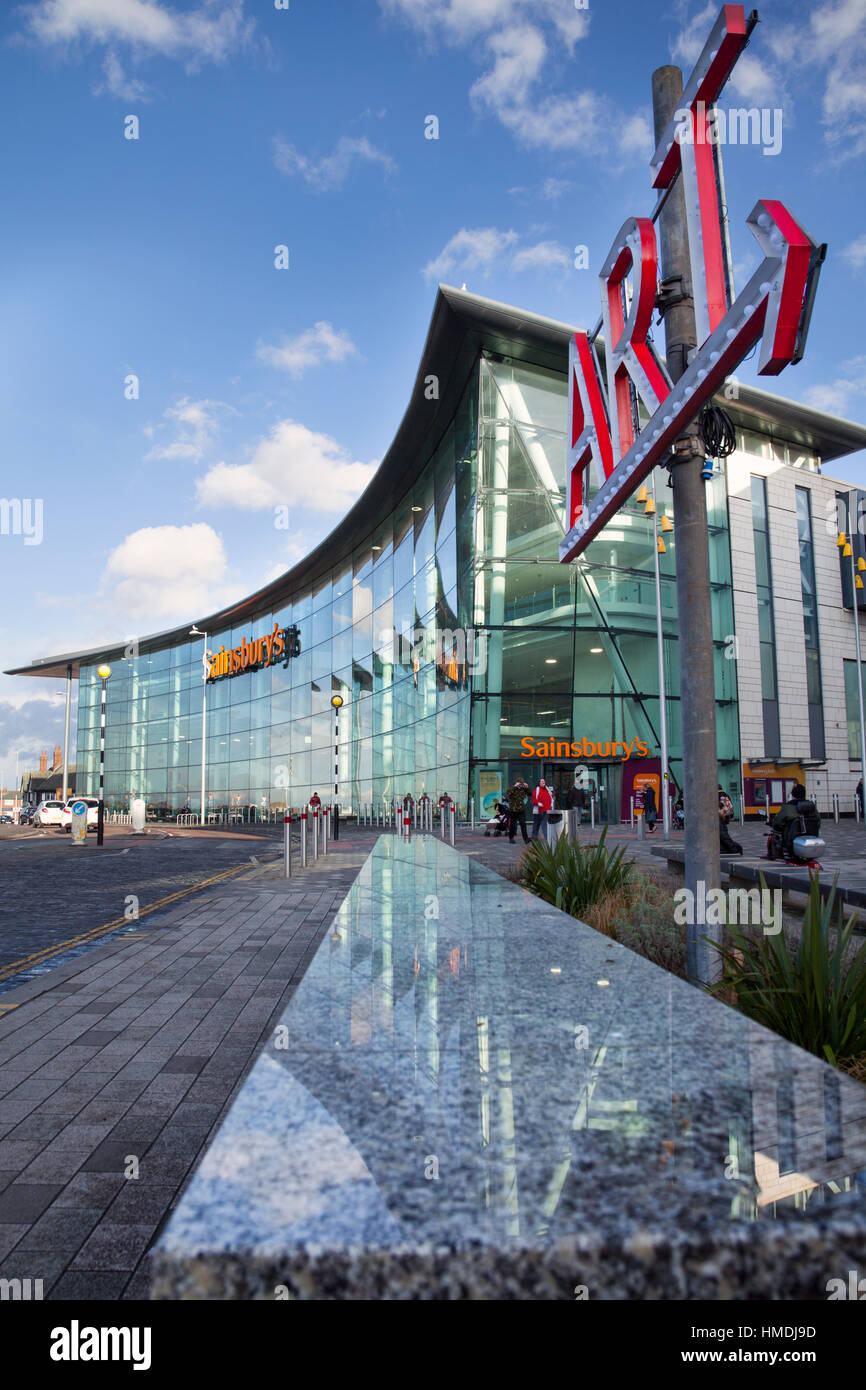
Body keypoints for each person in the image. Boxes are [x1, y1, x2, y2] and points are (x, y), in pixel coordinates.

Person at [719, 784, 743, 855]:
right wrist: (731, 815)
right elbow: (730, 806)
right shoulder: (725, 795)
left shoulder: (712, 795)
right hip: (723, 818)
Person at [506, 779, 530, 843]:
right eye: (519, 783)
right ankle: (511, 838)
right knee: (512, 825)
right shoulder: (513, 788)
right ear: (517, 783)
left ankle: (526, 839)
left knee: (523, 824)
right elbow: (508, 793)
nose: (520, 785)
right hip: (513, 810)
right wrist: (514, 787)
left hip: (521, 810)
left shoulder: (523, 789)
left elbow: (530, 794)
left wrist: (527, 787)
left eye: (521, 784)